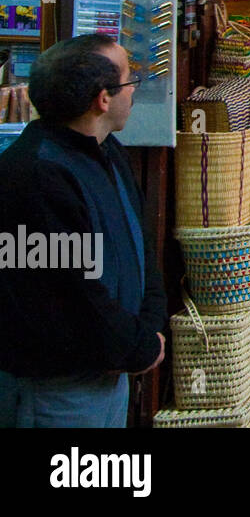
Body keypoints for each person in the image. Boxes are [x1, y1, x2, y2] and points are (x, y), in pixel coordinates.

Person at [0, 35, 167, 427]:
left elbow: (141, 251)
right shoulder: (37, 175)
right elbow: (70, 295)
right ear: (103, 99)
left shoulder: (108, 152)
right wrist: (138, 346)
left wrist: (148, 332)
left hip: (108, 376)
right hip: (57, 392)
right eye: (130, 82)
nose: (134, 93)